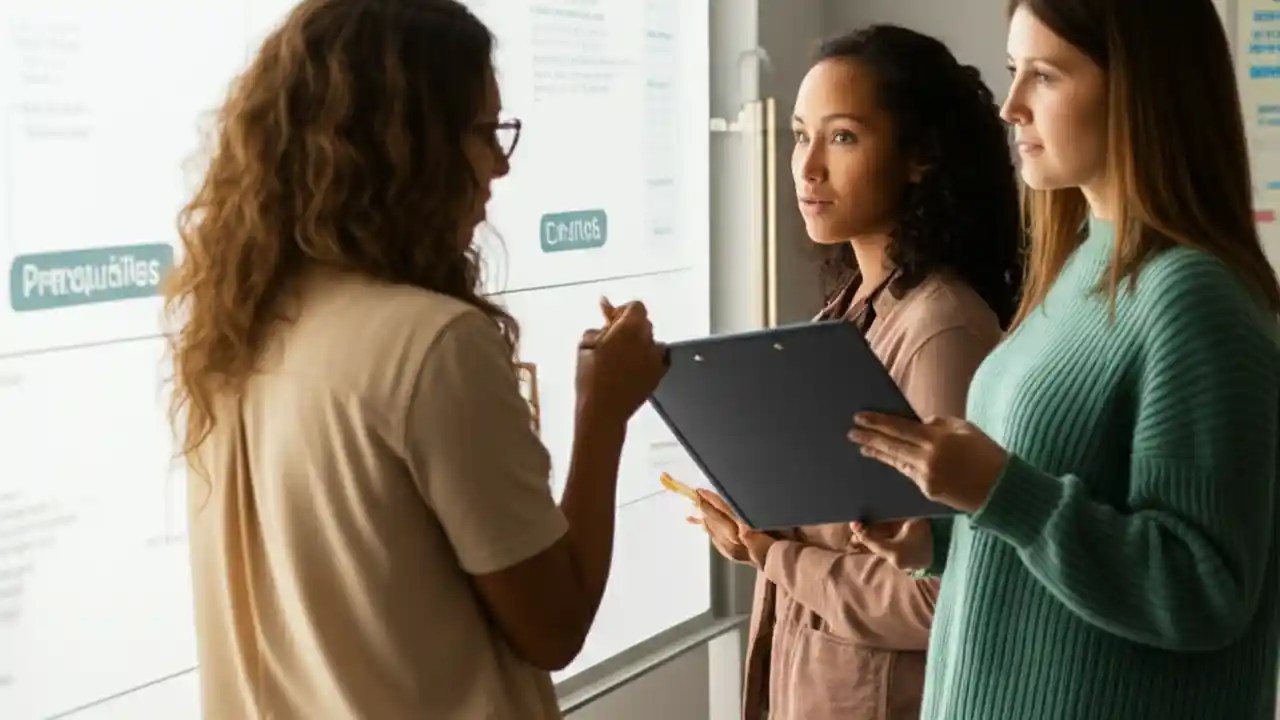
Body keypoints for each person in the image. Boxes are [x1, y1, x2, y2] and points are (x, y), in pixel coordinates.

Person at [161, 1, 667, 718]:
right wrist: (603, 411)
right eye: (484, 132)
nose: (501, 164)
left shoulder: (232, 335)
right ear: (405, 145)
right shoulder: (433, 346)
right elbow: (555, 625)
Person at [850, 1, 1280, 718]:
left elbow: (1204, 591)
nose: (1012, 106)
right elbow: (1054, 520)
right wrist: (944, 538)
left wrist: (999, 493)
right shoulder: (1081, 266)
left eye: (1044, 76)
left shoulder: (1193, 298)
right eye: (1014, 70)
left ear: (1139, 92)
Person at [688, 25, 1024, 720]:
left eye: (842, 137)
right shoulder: (848, 312)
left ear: (920, 156)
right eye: (799, 135)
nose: (807, 167)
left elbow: (941, 596)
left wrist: (775, 556)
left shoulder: (943, 330)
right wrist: (758, 530)